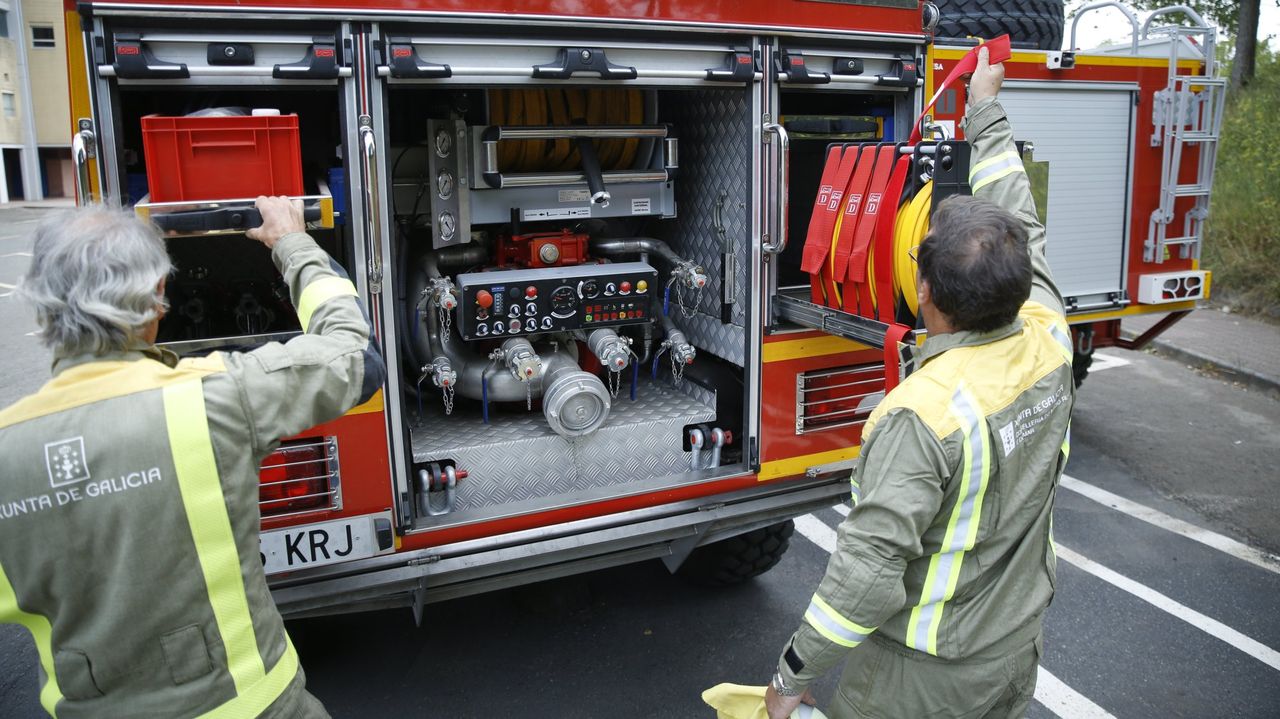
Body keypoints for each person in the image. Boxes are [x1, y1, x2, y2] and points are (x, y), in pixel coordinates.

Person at [765, 47, 1074, 719]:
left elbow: (866, 578)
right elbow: (1021, 216)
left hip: (925, 677)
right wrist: (984, 109)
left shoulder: (922, 415)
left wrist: (791, 676)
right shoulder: (1050, 334)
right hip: (1014, 651)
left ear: (923, 291)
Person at [0, 196, 384, 718]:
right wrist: (293, 243)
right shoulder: (216, 398)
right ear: (159, 295)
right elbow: (356, 357)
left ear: (41, 307)